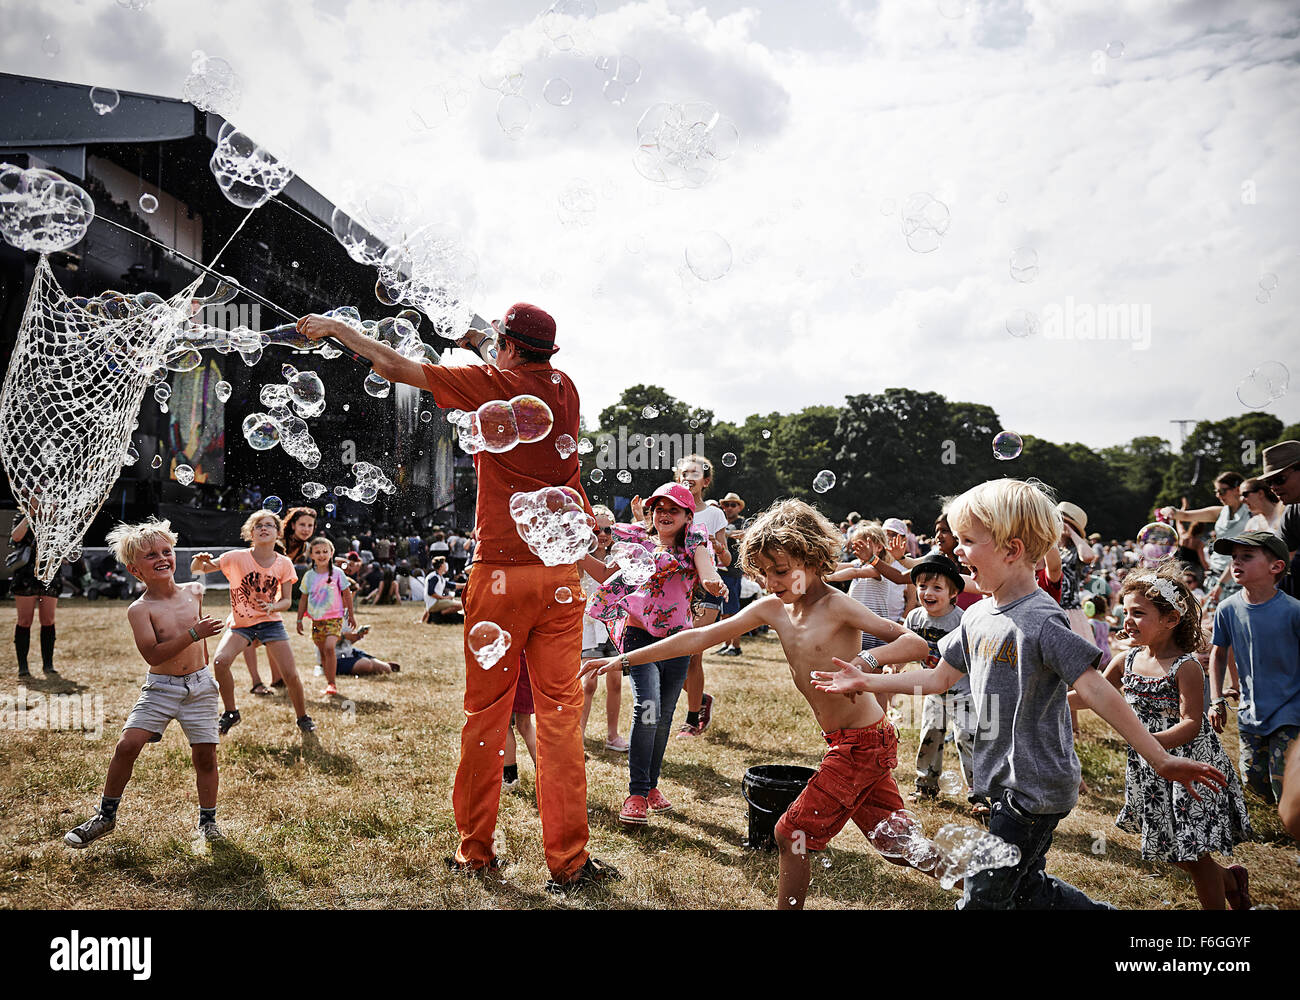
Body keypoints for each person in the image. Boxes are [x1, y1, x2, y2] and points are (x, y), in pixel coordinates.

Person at [298, 302, 615, 893]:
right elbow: (510, 376)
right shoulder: (563, 388)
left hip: (499, 576)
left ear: (510, 349)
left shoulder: (491, 383)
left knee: (487, 715)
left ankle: (476, 852)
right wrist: (476, 337)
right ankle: (569, 861)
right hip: (562, 576)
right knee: (560, 718)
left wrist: (338, 329)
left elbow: (394, 366)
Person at [811, 478, 1227, 910]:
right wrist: (866, 680)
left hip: (1035, 786)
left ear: (1011, 550)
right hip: (1002, 782)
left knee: (982, 898)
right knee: (1029, 889)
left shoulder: (1042, 619)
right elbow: (937, 680)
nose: (956, 550)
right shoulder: (975, 616)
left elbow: (1096, 689)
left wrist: (1158, 757)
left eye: (969, 541)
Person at [582, 498, 933, 909]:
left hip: (863, 744)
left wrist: (865, 662)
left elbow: (914, 641)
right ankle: (986, 885)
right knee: (899, 842)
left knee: (789, 833)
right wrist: (623, 658)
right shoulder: (774, 608)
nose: (771, 582)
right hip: (846, 740)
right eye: (764, 573)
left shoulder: (836, 605)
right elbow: (697, 638)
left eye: (780, 571)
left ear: (814, 557)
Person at [1074, 565, 1252, 909]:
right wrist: (1042, 702)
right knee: (1167, 849)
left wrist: (1148, 741)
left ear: (1170, 619)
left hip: (1189, 767)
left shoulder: (1184, 665)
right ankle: (1230, 879)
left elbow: (1191, 723)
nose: (1127, 620)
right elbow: (1089, 695)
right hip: (1151, 766)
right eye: (1125, 611)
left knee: (1195, 855)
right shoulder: (1125, 660)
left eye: (1138, 613)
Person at [65, 518, 225, 847]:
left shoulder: (195, 591)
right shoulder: (140, 609)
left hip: (200, 687)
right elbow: (153, 654)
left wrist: (202, 669)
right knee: (127, 745)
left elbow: (202, 645)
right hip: (162, 687)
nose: (162, 558)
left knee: (206, 757)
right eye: (150, 555)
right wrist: (195, 634)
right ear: (135, 571)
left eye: (166, 551)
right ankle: (105, 816)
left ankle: (207, 821)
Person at [584, 483, 724, 824]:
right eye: (658, 508)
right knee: (647, 709)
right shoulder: (637, 543)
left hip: (677, 639)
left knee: (663, 717)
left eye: (673, 509)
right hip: (637, 634)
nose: (664, 514)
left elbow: (707, 569)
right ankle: (635, 793)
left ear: (688, 516)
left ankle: (650, 787)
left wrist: (713, 582)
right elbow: (604, 575)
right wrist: (572, 549)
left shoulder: (695, 543)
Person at [190, 511, 315, 735]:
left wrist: (272, 607)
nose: (264, 528)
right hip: (242, 623)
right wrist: (199, 560)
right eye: (258, 525)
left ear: (278, 533)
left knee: (291, 674)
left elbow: (286, 601)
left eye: (269, 525)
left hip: (271, 622)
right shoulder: (235, 557)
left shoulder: (284, 563)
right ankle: (231, 712)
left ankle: (303, 717)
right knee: (220, 662)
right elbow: (199, 570)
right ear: (250, 532)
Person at [1207, 530, 1300, 803]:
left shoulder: (1294, 611)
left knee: (1283, 782)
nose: (1236, 563)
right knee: (1253, 781)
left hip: (1291, 710)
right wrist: (1216, 700)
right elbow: (1219, 654)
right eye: (1234, 558)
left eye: (1247, 557)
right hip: (1250, 711)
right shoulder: (1227, 608)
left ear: (1276, 567)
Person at [904, 554, 978, 812]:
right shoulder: (914, 618)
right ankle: (926, 785)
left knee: (967, 737)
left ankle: (979, 793)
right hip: (934, 691)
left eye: (937, 587)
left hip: (963, 691)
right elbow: (906, 646)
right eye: (923, 586)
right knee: (930, 735)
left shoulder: (962, 620)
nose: (928, 592)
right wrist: (896, 664)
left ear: (953, 592)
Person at [669, 454, 730, 738]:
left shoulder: (714, 513)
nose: (689, 475)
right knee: (671, 657)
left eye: (696, 472)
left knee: (693, 653)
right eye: (685, 471)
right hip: (675, 586)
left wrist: (719, 548)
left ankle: (692, 720)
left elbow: (727, 560)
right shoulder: (669, 508)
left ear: (705, 482)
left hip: (707, 586)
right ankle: (700, 698)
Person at [1161, 472, 1251, 608]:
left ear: (1237, 489)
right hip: (1216, 574)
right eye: (1216, 491)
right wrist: (1170, 510)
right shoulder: (1220, 512)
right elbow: (1185, 515)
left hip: (1240, 574)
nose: (1218, 495)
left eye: (1222, 491)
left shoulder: (1251, 512)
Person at [580, 505, 628, 752]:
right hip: (588, 627)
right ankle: (579, 734)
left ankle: (612, 735)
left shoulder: (618, 558)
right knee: (588, 684)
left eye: (608, 529)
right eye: (597, 529)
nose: (603, 535)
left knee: (616, 683)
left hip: (612, 626)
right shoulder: (581, 558)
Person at [296, 535, 355, 697]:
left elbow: (347, 594)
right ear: (311, 555)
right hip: (317, 620)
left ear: (331, 553)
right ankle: (329, 682)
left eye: (325, 551)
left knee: (330, 647)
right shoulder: (309, 576)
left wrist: (350, 614)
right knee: (322, 652)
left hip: (334, 618)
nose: (321, 555)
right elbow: (303, 598)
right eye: (317, 552)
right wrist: (299, 619)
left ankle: (332, 683)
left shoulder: (337, 574)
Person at [9, 515, 60, 677]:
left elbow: (62, 541)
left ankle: (48, 664)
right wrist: (29, 514)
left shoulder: (56, 516)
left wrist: (52, 515)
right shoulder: (21, 517)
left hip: (49, 573)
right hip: (26, 574)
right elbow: (16, 537)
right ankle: (23, 666)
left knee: (48, 619)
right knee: (24, 620)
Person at [1056, 501, 1099, 642]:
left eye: (1063, 521)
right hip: (1049, 605)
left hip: (1069, 608)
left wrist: (1072, 533)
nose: (1059, 523)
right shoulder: (1050, 547)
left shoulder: (1076, 550)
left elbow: (1088, 556)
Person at [715, 492, 747, 657]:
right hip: (719, 570)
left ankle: (736, 646)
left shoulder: (743, 523)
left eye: (732, 505)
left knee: (733, 611)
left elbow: (745, 535)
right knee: (723, 612)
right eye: (726, 504)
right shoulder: (721, 522)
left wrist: (726, 534)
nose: (728, 508)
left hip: (733, 571)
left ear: (739, 507)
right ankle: (726, 644)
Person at [503, 652, 538, 789]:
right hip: (527, 665)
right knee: (525, 724)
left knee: (504, 725)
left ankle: (510, 780)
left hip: (511, 666)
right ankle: (545, 773)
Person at [421, 557, 465, 622]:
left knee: (456, 604)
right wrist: (444, 598)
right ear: (441, 566)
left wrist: (466, 585)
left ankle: (436, 615)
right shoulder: (434, 577)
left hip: (434, 603)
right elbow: (430, 593)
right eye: (444, 564)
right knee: (459, 606)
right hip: (435, 603)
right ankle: (438, 615)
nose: (446, 565)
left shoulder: (439, 577)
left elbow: (452, 585)